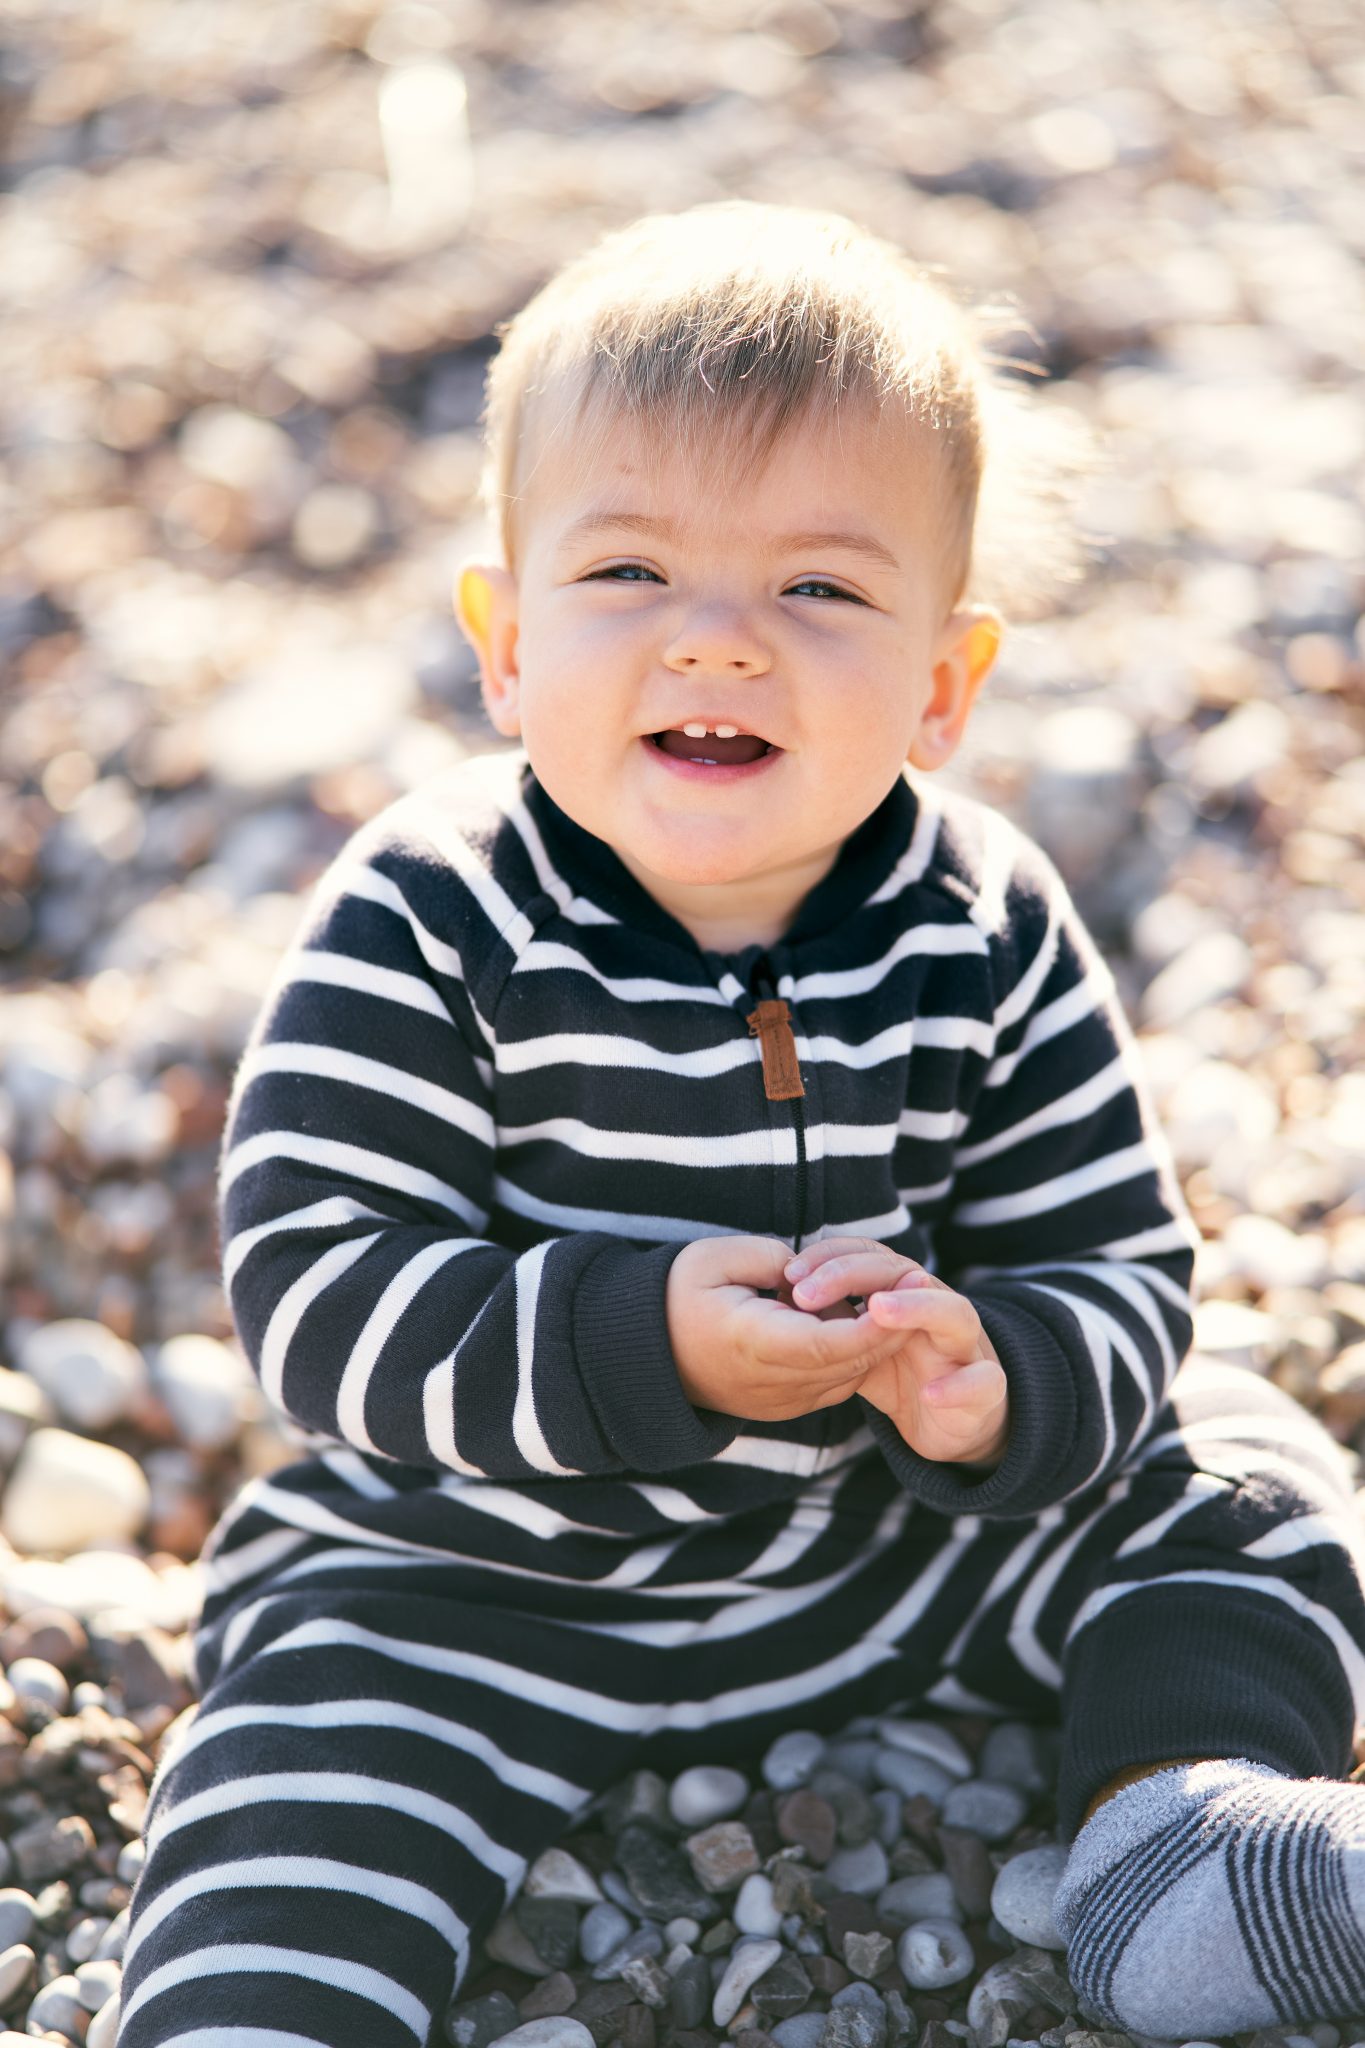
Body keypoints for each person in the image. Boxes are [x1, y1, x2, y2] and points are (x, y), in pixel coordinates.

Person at [116, 203, 1365, 2047]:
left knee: (1243, 1480)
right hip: (488, 1573)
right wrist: (642, 1339)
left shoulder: (984, 916)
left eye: (819, 590)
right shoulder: (432, 913)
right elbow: (316, 1288)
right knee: (299, 1762)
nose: (718, 645)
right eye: (627, 573)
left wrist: (995, 1379)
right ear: (506, 643)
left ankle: (1163, 1846)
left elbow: (1107, 1258)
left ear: (942, 683)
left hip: (892, 1538)